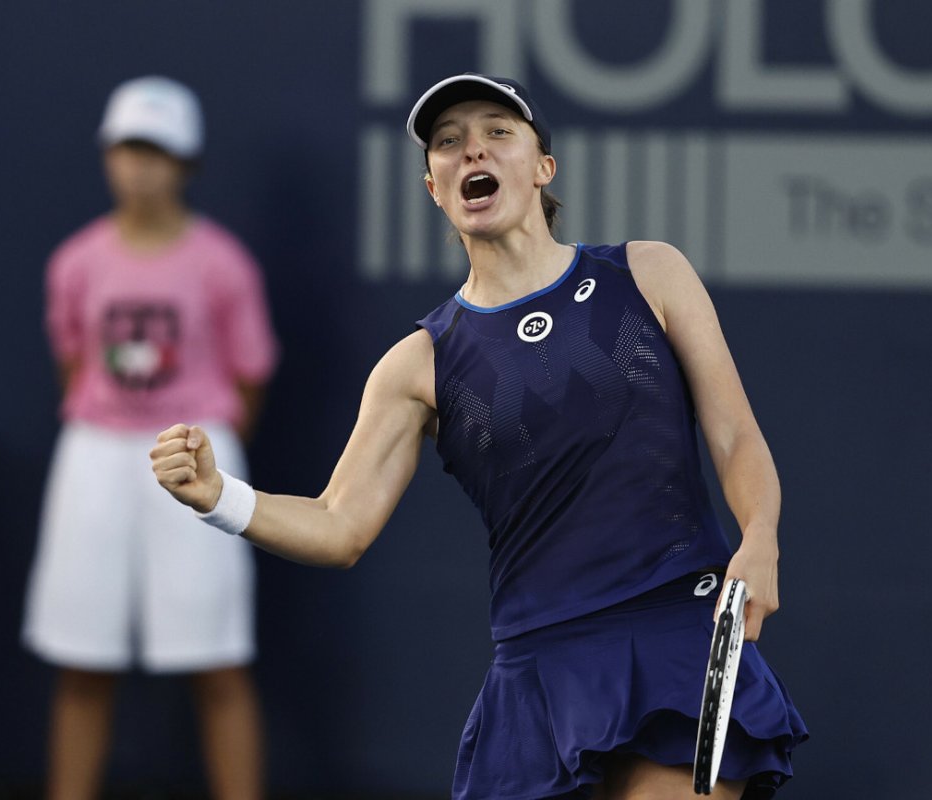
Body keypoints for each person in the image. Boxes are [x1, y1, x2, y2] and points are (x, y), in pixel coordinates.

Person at [151, 73, 806, 799]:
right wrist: (218, 497)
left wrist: (761, 535)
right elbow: (340, 526)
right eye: (448, 143)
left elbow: (735, 436)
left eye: (497, 132)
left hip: (678, 631)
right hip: (539, 669)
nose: (472, 152)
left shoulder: (650, 274)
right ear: (434, 187)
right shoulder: (418, 364)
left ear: (542, 168)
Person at [23, 75, 279, 800]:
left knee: (218, 659)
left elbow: (248, 376)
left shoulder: (223, 265)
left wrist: (201, 451)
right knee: (81, 658)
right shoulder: (75, 263)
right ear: (108, 154)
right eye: (130, 147)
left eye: (159, 151)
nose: (141, 165)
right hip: (93, 458)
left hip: (198, 456)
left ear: (187, 163)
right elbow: (74, 362)